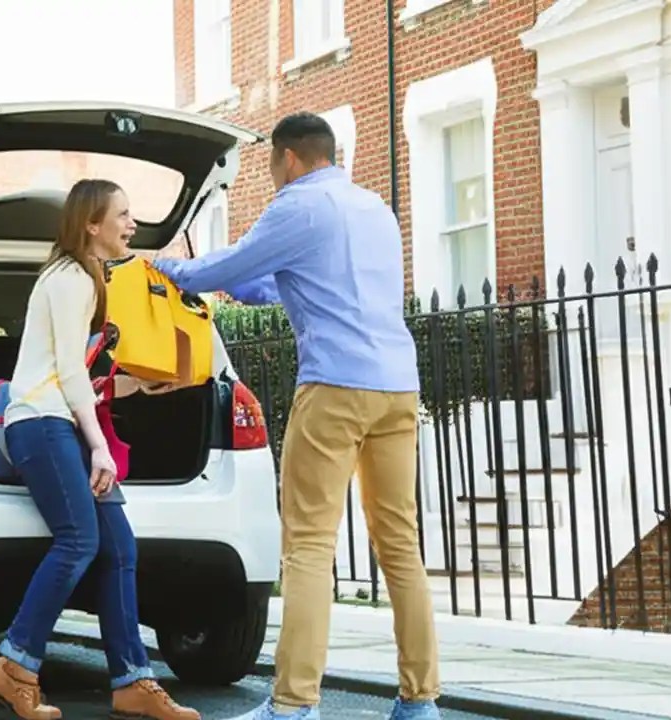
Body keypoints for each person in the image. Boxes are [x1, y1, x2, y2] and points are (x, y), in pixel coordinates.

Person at [153, 113, 441, 720]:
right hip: (397, 389)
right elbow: (286, 285)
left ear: (288, 158)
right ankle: (420, 704)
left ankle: (293, 707)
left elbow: (221, 270)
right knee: (400, 547)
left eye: (271, 168)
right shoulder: (374, 210)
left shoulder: (298, 207)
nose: (272, 178)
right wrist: (250, 285)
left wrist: (167, 269)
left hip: (335, 387)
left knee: (308, 546)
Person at [0, 178, 200, 720]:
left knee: (119, 547)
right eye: (122, 215)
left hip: (62, 422)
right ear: (91, 225)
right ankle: (14, 666)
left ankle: (132, 681)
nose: (132, 224)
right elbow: (66, 374)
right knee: (79, 540)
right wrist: (101, 447)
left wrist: (139, 386)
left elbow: (84, 375)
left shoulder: (89, 277)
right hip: (38, 423)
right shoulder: (71, 278)